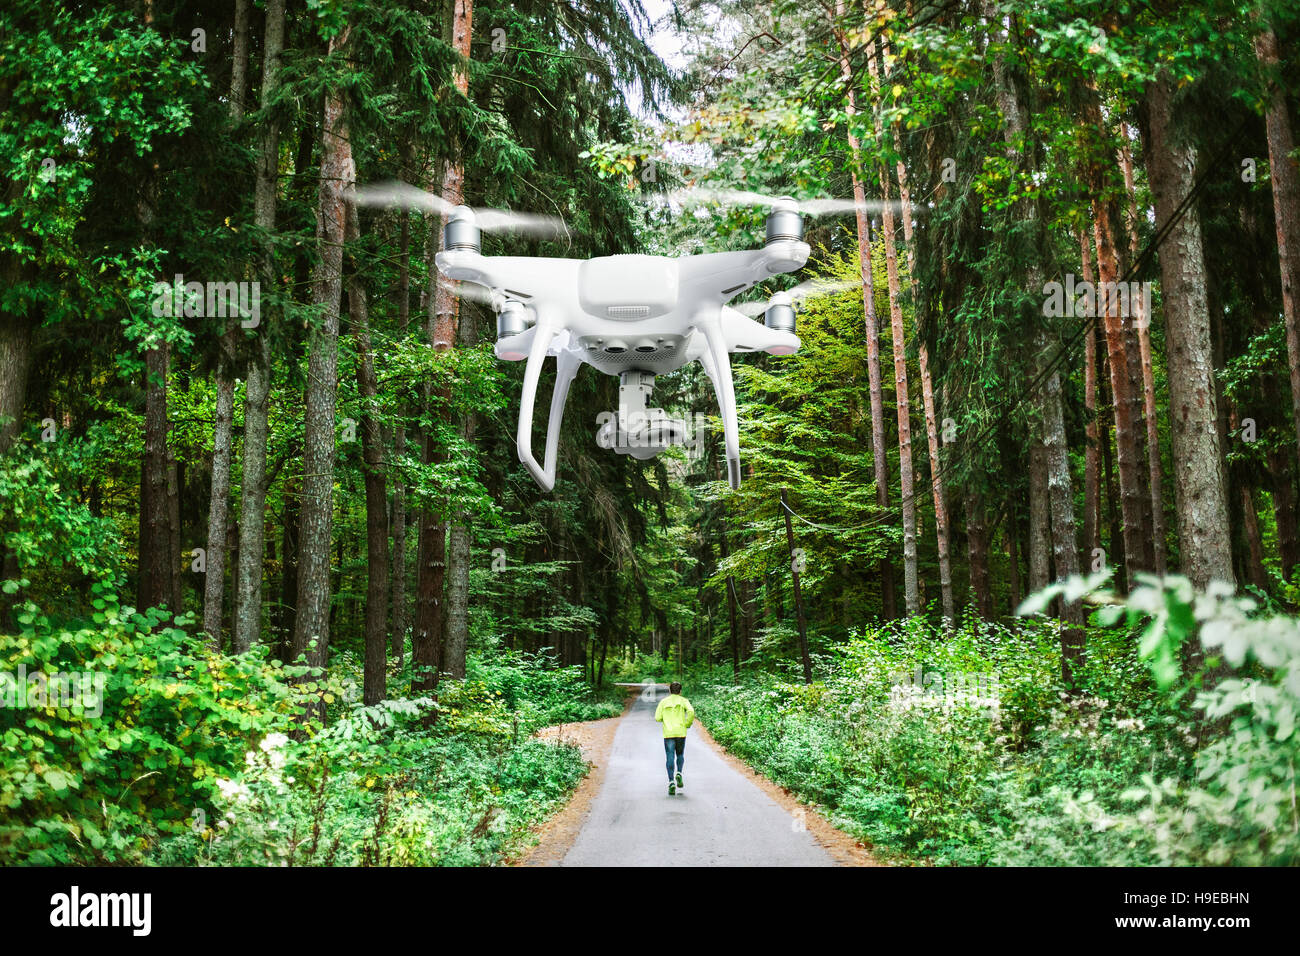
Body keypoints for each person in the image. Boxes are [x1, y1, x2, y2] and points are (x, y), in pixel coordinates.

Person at [654, 681, 695, 795]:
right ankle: (679, 773)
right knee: (680, 754)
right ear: (680, 691)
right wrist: (687, 723)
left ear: (669, 690)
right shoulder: (684, 701)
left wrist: (666, 719)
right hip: (681, 732)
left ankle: (671, 782)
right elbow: (691, 711)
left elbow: (657, 717)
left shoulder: (663, 702)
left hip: (668, 733)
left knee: (669, 756)